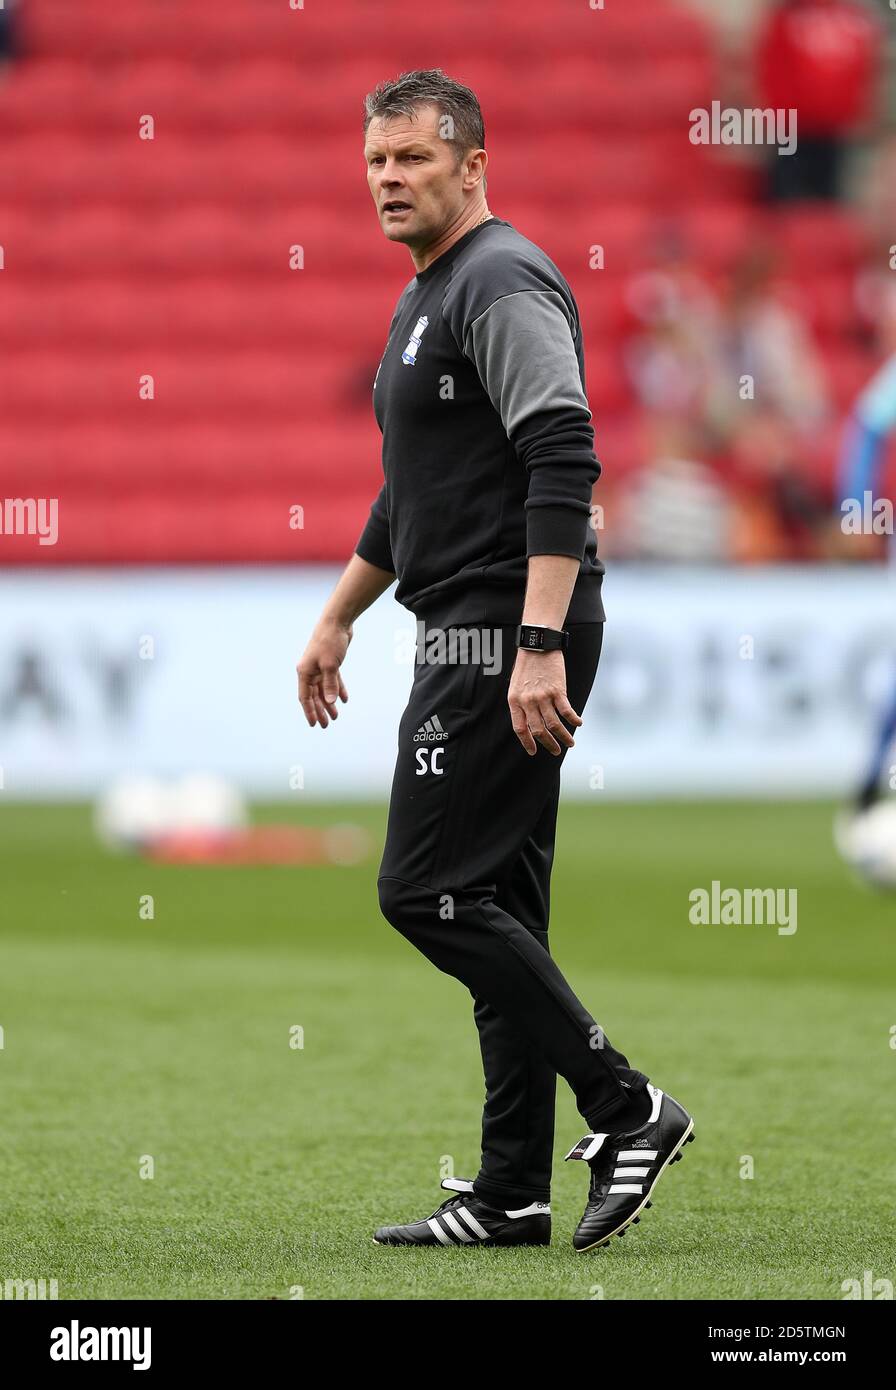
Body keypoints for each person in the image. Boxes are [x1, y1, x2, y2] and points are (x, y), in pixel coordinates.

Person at [297, 70, 694, 1252]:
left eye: (412, 159)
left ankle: (628, 1106)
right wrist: (338, 616)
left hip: (502, 629)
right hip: (468, 620)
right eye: (375, 161)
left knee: (424, 889)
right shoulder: (427, 296)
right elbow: (408, 495)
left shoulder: (500, 277)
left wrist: (532, 642)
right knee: (499, 900)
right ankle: (513, 1189)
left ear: (471, 164)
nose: (387, 180)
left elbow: (564, 453)